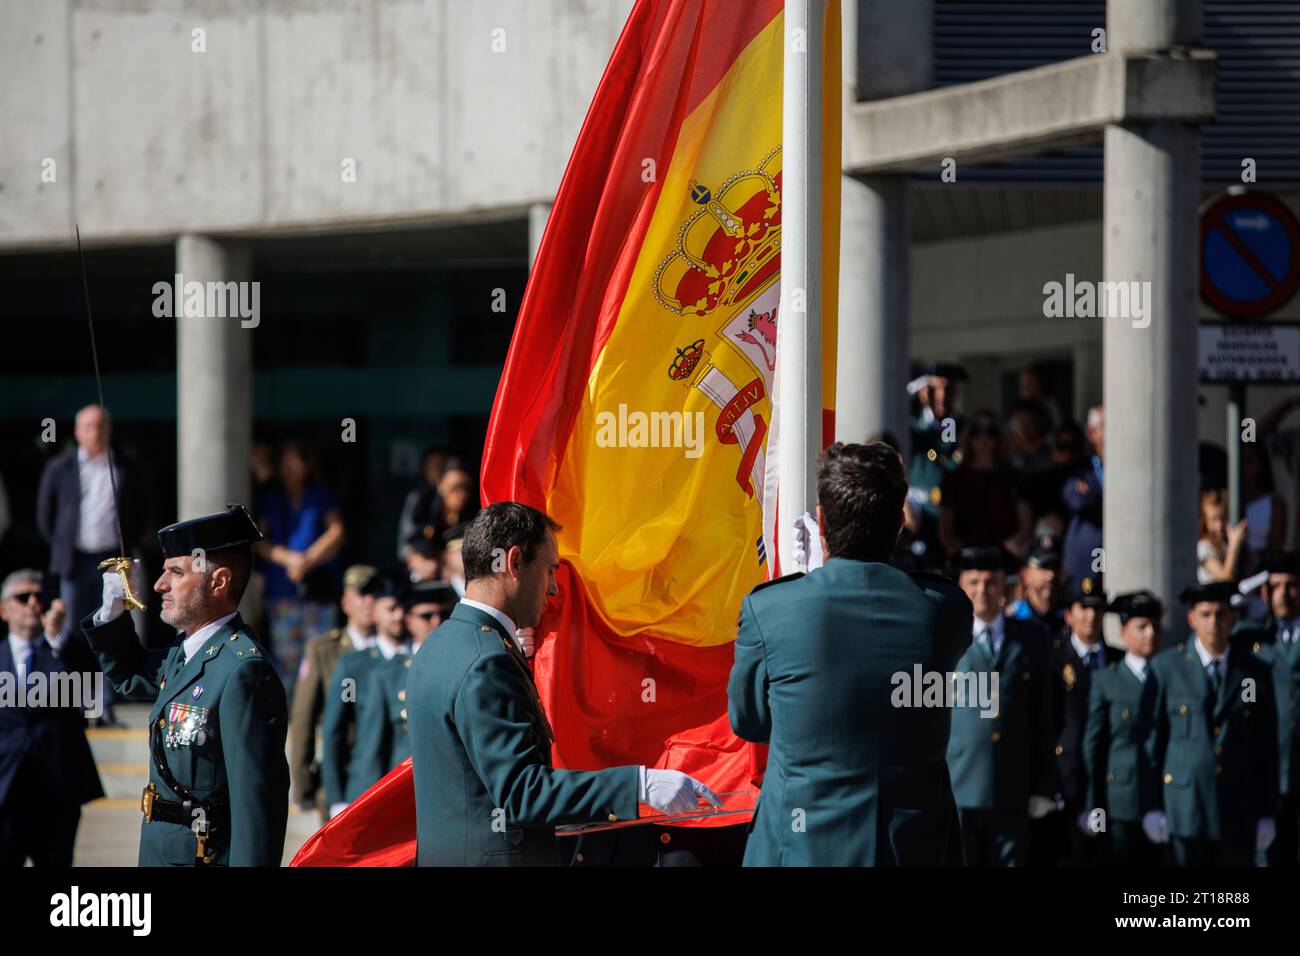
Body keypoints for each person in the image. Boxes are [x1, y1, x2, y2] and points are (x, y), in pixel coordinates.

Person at [407, 502, 718, 866]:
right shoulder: (487, 660)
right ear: (515, 562)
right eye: (549, 570)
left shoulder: (440, 645)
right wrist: (638, 784)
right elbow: (522, 793)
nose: (553, 588)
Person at [729, 442, 971, 866]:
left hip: (802, 850)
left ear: (820, 522)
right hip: (912, 850)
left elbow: (750, 721)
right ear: (900, 523)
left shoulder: (769, 609)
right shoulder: (946, 610)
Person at [81, 505, 289, 866]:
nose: (160, 585)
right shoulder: (186, 651)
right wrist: (113, 616)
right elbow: (130, 676)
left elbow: (257, 805)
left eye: (175, 572)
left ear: (219, 581)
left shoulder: (243, 670)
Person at [1144, 581, 1278, 866]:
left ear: (1232, 618)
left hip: (1237, 807)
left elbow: (1266, 746)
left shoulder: (1253, 672)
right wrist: (1152, 805)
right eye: (1205, 614)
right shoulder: (1167, 668)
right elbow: (1152, 745)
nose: (1213, 622)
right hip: (1184, 810)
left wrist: (1267, 811)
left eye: (1220, 614)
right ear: (1192, 619)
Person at [36, 404, 148, 726]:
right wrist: (62, 545)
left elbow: (141, 510)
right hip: (73, 561)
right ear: (76, 432)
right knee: (71, 632)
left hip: (111, 561)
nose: (94, 433)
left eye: (100, 427)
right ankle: (76, 706)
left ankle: (107, 703)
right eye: (88, 427)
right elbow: (46, 516)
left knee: (111, 628)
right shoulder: (60, 467)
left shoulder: (126, 464)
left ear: (109, 430)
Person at [947, 545, 1055, 866]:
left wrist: (1043, 783)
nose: (983, 590)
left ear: (1004, 587)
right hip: (959, 784)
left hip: (1012, 784)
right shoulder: (945, 637)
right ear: (961, 586)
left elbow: (1043, 716)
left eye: (991, 582)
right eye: (974, 582)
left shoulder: (1032, 639)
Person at [0, 570, 104, 865]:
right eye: (23, 597)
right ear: (4, 610)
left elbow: (90, 689)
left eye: (41, 597)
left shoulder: (64, 651)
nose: (33, 603)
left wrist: (56, 636)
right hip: (6, 794)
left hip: (56, 794)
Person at [287, 564, 377, 821]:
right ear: (345, 603)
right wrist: (304, 787)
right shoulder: (324, 650)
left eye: (375, 594)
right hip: (340, 779)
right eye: (361, 594)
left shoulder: (397, 649)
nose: (369, 602)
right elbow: (303, 720)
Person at [254, 440, 346, 688]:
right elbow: (258, 540)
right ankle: (294, 719)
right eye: (284, 462)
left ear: (307, 465)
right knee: (287, 662)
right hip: (282, 591)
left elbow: (337, 532)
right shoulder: (271, 497)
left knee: (321, 658)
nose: (288, 467)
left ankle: (321, 718)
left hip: (317, 591)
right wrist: (288, 559)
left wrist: (308, 560)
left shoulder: (320, 496)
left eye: (294, 461)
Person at [1082, 590, 1164, 866]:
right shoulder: (1107, 680)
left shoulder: (1171, 675)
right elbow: (1093, 745)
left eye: (1154, 626)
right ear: (1124, 632)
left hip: (1165, 797)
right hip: (1121, 801)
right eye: (1141, 627)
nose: (1150, 633)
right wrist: (1092, 803)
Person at [353, 580, 457, 786]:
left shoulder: (461, 667)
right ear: (409, 621)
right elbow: (372, 750)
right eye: (426, 616)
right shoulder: (388, 675)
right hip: (406, 789)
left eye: (443, 615)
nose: (436, 622)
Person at [1048, 574, 1121, 865]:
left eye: (1097, 608)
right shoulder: (1053, 659)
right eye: (1083, 608)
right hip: (1068, 781)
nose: (1091, 616)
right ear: (1068, 614)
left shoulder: (1116, 660)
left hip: (1110, 779)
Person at [320, 573, 406, 817]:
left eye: (402, 608)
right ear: (375, 612)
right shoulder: (354, 667)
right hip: (363, 788)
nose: (398, 616)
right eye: (391, 608)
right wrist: (336, 797)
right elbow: (334, 732)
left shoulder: (417, 662)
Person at [1235, 551, 1300, 867]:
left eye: (1291, 585)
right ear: (1264, 591)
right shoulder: (1251, 637)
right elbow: (1221, 608)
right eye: (1274, 586)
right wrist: (1246, 587)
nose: (1283, 595)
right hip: (1266, 772)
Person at [938, 410, 1032, 560]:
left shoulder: (1015, 477)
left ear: (1000, 437)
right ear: (969, 437)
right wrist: (959, 555)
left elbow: (1025, 528)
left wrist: (1007, 552)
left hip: (1003, 560)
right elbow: (946, 532)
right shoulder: (952, 479)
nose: (983, 437)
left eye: (991, 431)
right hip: (965, 560)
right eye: (977, 431)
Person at [906, 361, 967, 559]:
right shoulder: (912, 425)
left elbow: (944, 457)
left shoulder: (957, 426)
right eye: (933, 389)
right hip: (918, 517)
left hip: (953, 517)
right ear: (922, 391)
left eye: (947, 389)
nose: (941, 396)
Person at [1061, 405, 1104, 581]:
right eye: (1106, 426)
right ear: (1091, 433)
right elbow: (1077, 501)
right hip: (1085, 558)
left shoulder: (1133, 467)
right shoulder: (1077, 468)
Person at [395, 447, 448, 559]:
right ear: (424, 468)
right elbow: (408, 533)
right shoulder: (418, 496)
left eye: (440, 466)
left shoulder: (450, 494)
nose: (436, 470)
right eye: (432, 466)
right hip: (420, 555)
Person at [1007, 533, 1063, 633]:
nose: (1051, 575)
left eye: (1055, 567)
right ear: (1025, 575)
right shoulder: (1013, 618)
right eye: (1044, 568)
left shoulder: (1069, 617)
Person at [1196, 488, 1248, 584]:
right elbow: (1225, 578)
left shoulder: (1224, 543)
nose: (1219, 525)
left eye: (1222, 518)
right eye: (1213, 519)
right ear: (1205, 521)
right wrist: (1234, 545)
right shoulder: (1203, 547)